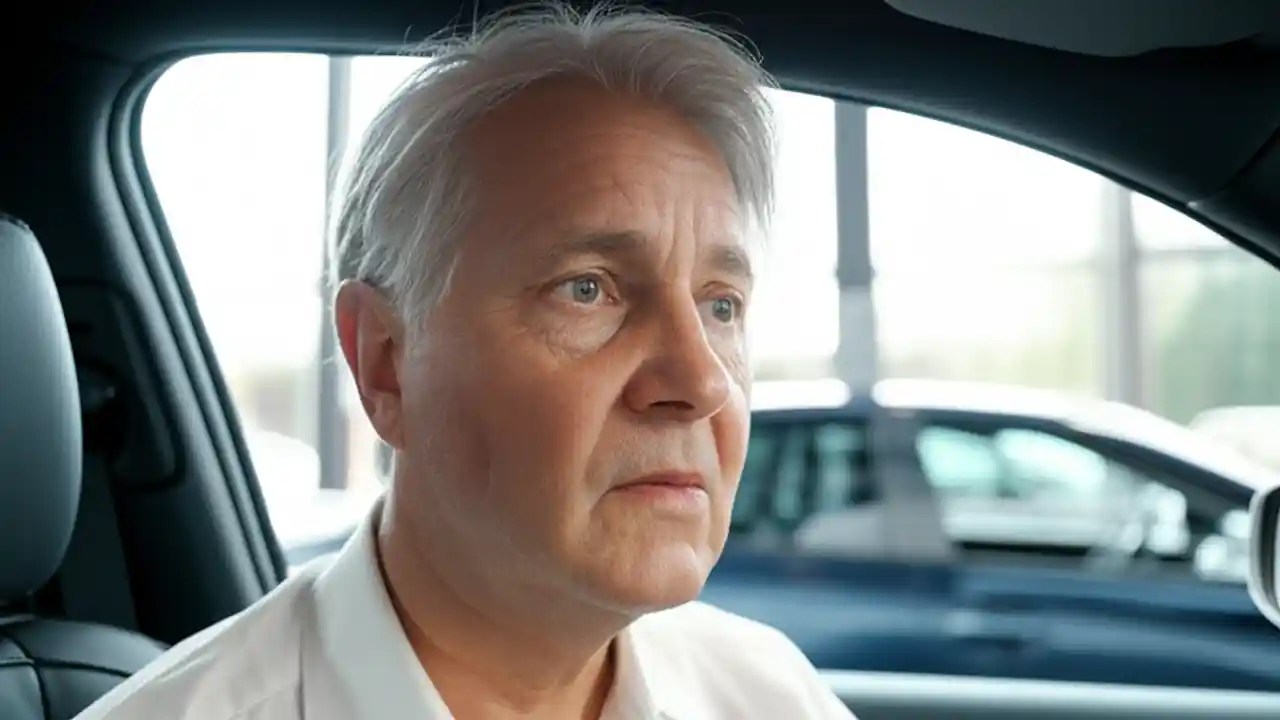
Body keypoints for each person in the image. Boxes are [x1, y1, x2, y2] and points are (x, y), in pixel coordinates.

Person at [76, 3, 855, 718]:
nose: (702, 381)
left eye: (721, 305)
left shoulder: (769, 693)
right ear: (385, 363)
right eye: (587, 290)